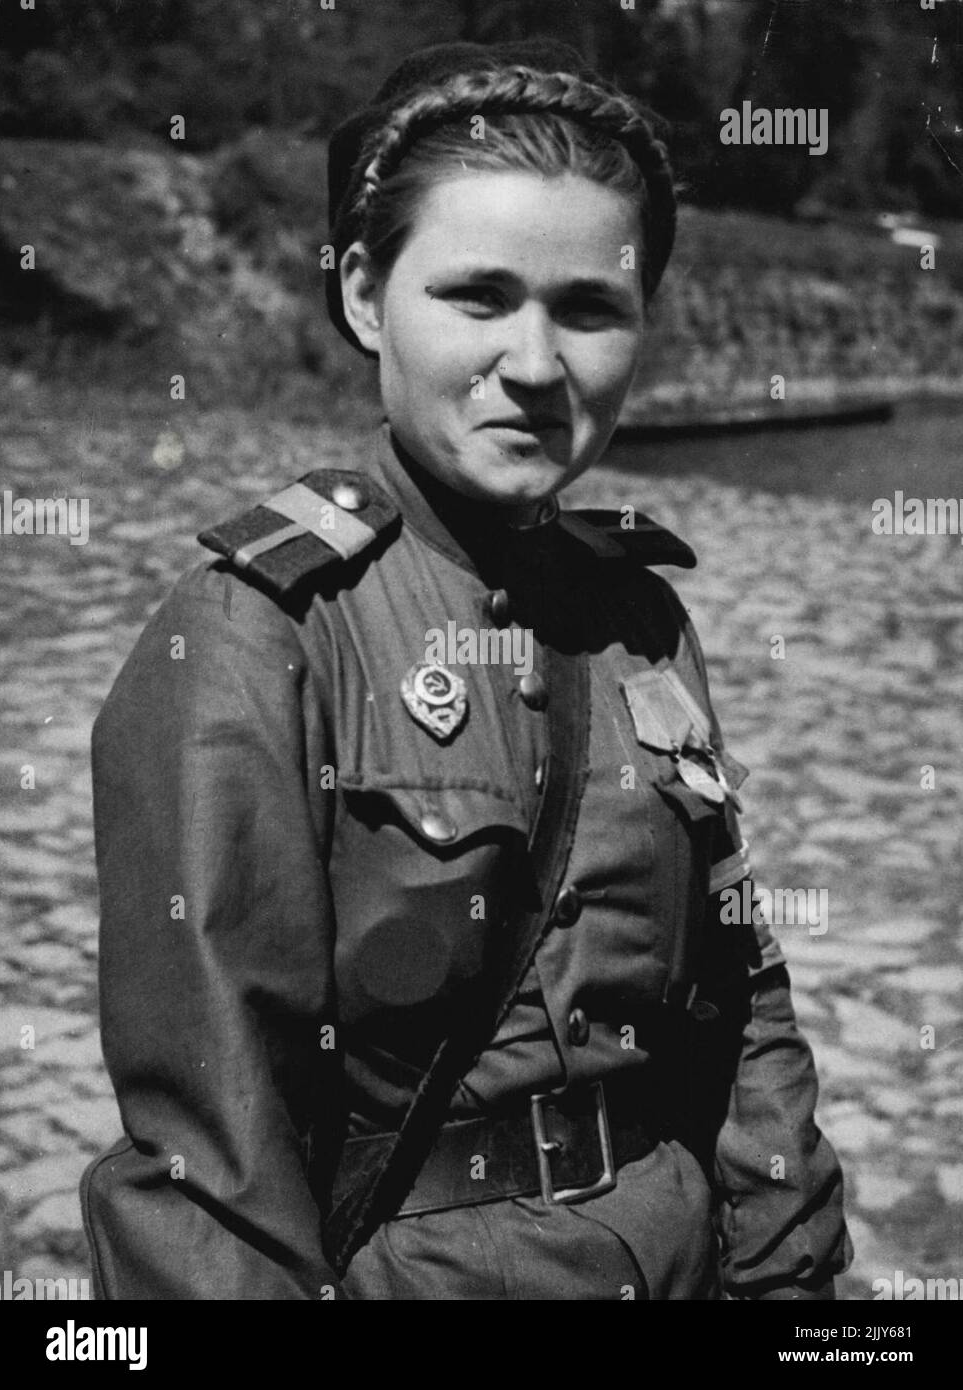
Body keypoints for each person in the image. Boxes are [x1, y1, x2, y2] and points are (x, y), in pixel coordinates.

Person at [81, 39, 852, 1301]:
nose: (538, 366)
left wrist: (797, 1287)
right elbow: (206, 1171)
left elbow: (739, 1003)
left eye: (590, 309)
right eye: (478, 297)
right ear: (365, 298)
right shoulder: (260, 632)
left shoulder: (639, 614)